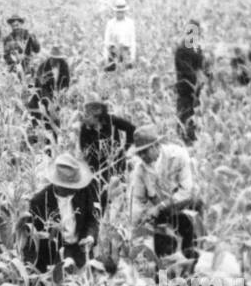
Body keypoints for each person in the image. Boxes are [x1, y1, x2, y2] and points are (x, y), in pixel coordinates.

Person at [129, 125, 200, 259]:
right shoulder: (140, 170)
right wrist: (134, 228)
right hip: (163, 213)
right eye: (139, 153)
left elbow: (187, 192)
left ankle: (190, 263)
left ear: (156, 145)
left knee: (189, 248)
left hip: (186, 207)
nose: (142, 156)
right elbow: (136, 201)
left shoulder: (178, 155)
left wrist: (161, 206)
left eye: (145, 151)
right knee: (162, 252)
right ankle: (165, 271)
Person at [21, 153, 99, 272]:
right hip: (55, 257)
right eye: (71, 186)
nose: (76, 189)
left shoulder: (84, 191)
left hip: (81, 251)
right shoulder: (39, 202)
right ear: (57, 184)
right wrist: (32, 272)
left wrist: (90, 237)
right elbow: (32, 242)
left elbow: (91, 219)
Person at [78, 101, 135, 210]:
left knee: (118, 190)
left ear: (96, 117)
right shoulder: (85, 128)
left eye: (87, 115)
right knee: (99, 194)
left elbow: (131, 129)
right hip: (97, 166)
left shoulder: (110, 121)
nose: (84, 118)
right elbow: (84, 148)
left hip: (116, 163)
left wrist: (125, 148)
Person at [174, 22, 212, 144]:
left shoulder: (197, 49)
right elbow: (186, 71)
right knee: (184, 117)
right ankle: (184, 141)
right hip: (186, 90)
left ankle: (192, 140)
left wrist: (208, 76)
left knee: (195, 119)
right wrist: (199, 80)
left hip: (198, 93)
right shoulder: (182, 50)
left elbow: (204, 68)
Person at [27, 45, 71, 141]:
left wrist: (61, 94)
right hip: (42, 99)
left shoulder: (64, 65)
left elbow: (66, 83)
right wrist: (50, 104)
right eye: (54, 59)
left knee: (57, 124)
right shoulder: (43, 67)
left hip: (57, 98)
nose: (56, 61)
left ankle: (55, 142)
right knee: (44, 123)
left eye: (58, 59)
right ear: (50, 58)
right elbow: (42, 87)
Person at [103, 0, 136, 71]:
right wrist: (105, 56)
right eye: (118, 12)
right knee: (112, 75)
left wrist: (133, 57)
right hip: (113, 53)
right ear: (115, 11)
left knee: (126, 74)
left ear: (125, 11)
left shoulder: (130, 23)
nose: (120, 13)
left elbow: (132, 41)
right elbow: (106, 41)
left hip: (125, 52)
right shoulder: (110, 23)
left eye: (122, 11)